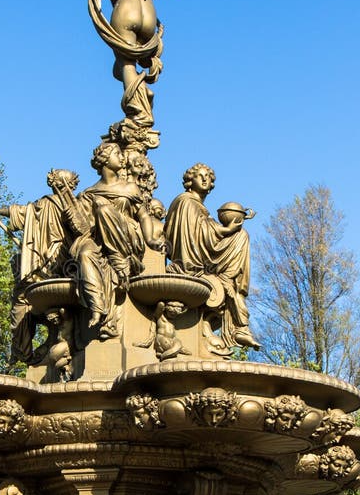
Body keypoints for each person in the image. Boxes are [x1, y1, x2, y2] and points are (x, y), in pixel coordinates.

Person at [68, 142, 164, 336]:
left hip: (128, 237)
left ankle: (119, 262)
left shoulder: (130, 188)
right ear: (104, 160)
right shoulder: (88, 193)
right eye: (117, 154)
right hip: (99, 239)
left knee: (104, 209)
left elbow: (144, 216)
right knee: (86, 253)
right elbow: (85, 227)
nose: (122, 158)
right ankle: (98, 307)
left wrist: (151, 239)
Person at [0, 169, 78, 362]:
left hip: (64, 262)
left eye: (67, 184)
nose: (63, 187)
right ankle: (24, 353)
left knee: (51, 305)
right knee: (21, 302)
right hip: (41, 265)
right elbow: (21, 212)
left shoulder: (78, 206)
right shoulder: (43, 205)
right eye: (61, 183)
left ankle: (51, 345)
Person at [164, 164, 259, 352]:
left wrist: (235, 223)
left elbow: (204, 227)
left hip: (205, 252)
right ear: (190, 181)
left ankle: (236, 314)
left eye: (208, 176)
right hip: (192, 258)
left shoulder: (198, 206)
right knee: (239, 237)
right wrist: (225, 230)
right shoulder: (186, 201)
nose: (206, 179)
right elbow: (197, 231)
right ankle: (237, 317)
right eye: (200, 176)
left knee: (241, 236)